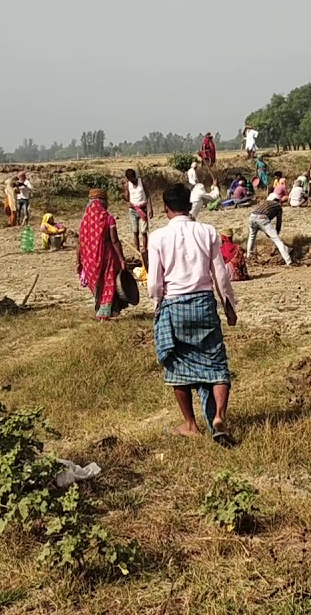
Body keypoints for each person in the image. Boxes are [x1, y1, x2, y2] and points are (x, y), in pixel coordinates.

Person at [148, 184, 238, 445]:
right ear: (189, 206)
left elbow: (155, 283)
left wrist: (158, 305)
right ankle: (219, 416)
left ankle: (190, 424)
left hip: (174, 305)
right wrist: (229, 305)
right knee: (216, 362)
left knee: (177, 366)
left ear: (166, 210)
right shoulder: (208, 231)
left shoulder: (158, 237)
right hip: (204, 302)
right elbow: (220, 274)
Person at [76, 189, 129, 321]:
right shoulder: (108, 219)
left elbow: (79, 244)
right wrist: (122, 259)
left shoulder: (84, 222)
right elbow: (114, 240)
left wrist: (78, 261)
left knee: (98, 285)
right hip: (107, 257)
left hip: (89, 260)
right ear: (104, 202)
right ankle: (105, 313)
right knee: (108, 283)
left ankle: (102, 309)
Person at [247, 194, 292, 265]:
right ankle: (288, 261)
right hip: (262, 218)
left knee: (251, 236)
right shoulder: (278, 206)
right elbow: (278, 222)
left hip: (252, 217)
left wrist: (268, 233)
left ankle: (249, 256)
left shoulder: (264, 203)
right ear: (277, 200)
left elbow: (265, 223)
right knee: (277, 240)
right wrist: (276, 232)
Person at [123, 168, 153, 263]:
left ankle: (145, 249)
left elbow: (148, 195)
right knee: (135, 231)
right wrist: (124, 197)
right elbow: (127, 198)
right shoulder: (127, 185)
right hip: (133, 210)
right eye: (130, 179)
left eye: (133, 178)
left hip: (143, 209)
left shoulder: (142, 182)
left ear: (135, 176)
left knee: (144, 231)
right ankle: (137, 251)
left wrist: (151, 208)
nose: (132, 180)